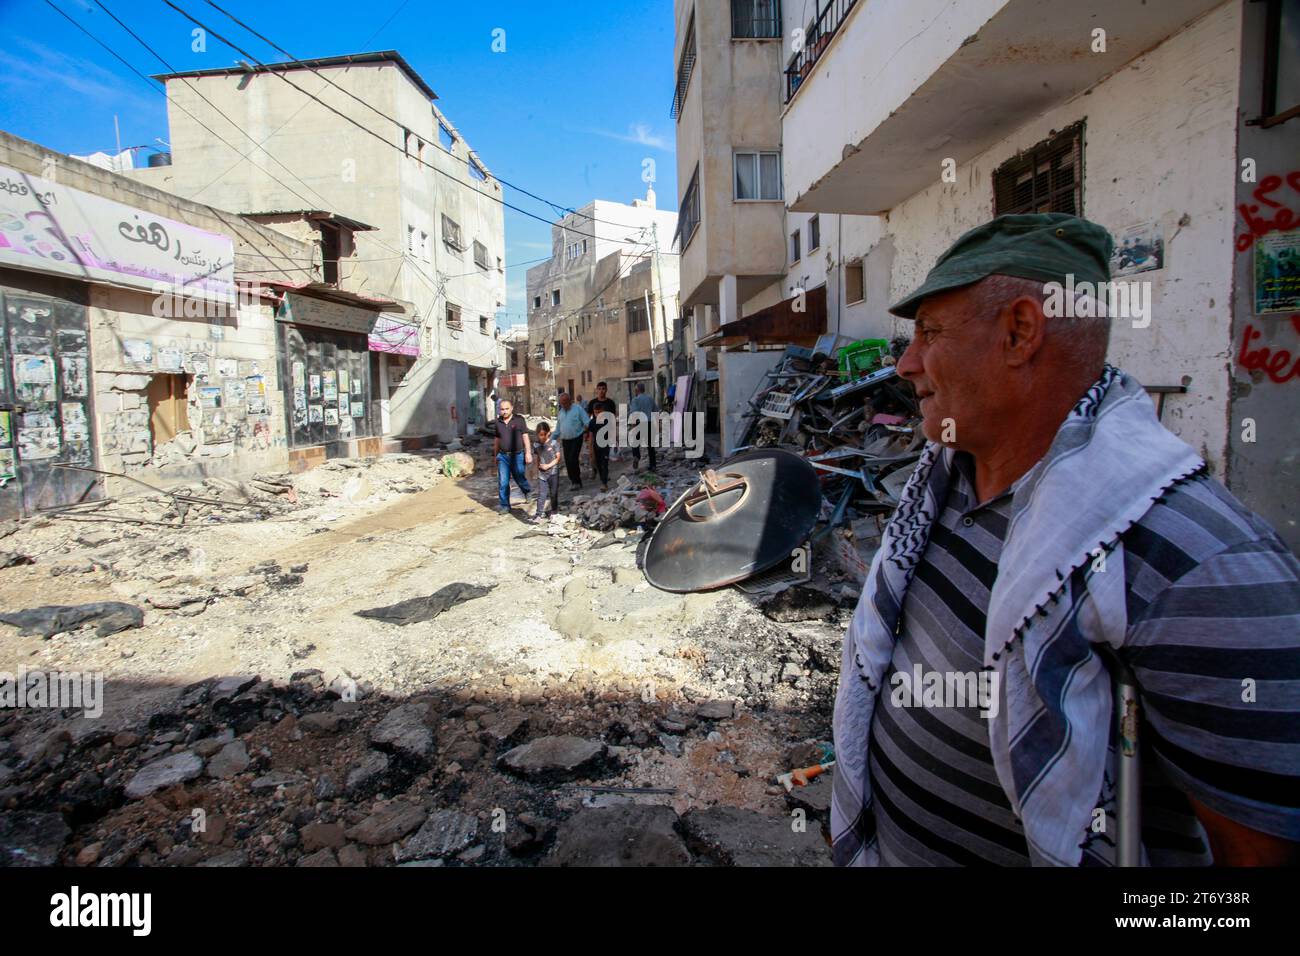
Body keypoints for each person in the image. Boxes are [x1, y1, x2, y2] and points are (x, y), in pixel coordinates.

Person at [832, 213, 1300, 868]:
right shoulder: (946, 479)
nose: (906, 363)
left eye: (930, 333)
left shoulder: (1200, 567)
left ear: (1021, 331)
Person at [492, 398, 531, 514]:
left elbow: (525, 436)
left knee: (519, 476)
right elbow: (497, 440)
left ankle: (527, 490)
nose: (504, 411)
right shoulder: (498, 422)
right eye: (502, 409)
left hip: (518, 455)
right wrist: (495, 455)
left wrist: (528, 452)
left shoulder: (519, 420)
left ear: (512, 408)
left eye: (506, 409)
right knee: (503, 482)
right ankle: (505, 506)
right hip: (503, 456)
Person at [586, 381, 618, 492]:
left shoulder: (610, 403)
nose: (601, 391)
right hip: (595, 438)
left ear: (606, 389)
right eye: (599, 388)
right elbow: (588, 418)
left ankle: (604, 482)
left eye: (603, 388)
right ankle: (597, 471)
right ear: (596, 390)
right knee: (596, 461)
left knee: (604, 461)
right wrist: (589, 441)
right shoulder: (592, 403)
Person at [554, 391, 589, 490]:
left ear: (570, 401)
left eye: (565, 402)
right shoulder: (560, 413)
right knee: (568, 461)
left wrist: (586, 431)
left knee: (573, 459)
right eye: (561, 403)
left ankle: (577, 481)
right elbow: (557, 429)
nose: (563, 404)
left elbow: (587, 421)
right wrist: (550, 440)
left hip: (577, 438)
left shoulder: (578, 409)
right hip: (565, 440)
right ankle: (573, 481)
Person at [532, 420, 560, 520]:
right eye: (540, 435)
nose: (542, 437)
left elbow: (558, 458)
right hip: (542, 473)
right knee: (541, 494)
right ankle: (539, 514)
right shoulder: (536, 445)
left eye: (544, 434)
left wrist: (548, 466)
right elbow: (537, 458)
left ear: (549, 433)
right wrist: (537, 469)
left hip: (553, 472)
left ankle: (554, 511)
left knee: (553, 493)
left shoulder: (554, 443)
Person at [629, 382, 658, 473]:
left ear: (637, 390)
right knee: (650, 446)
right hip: (649, 423)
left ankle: (636, 456)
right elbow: (656, 411)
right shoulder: (650, 399)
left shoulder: (635, 400)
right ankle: (653, 466)